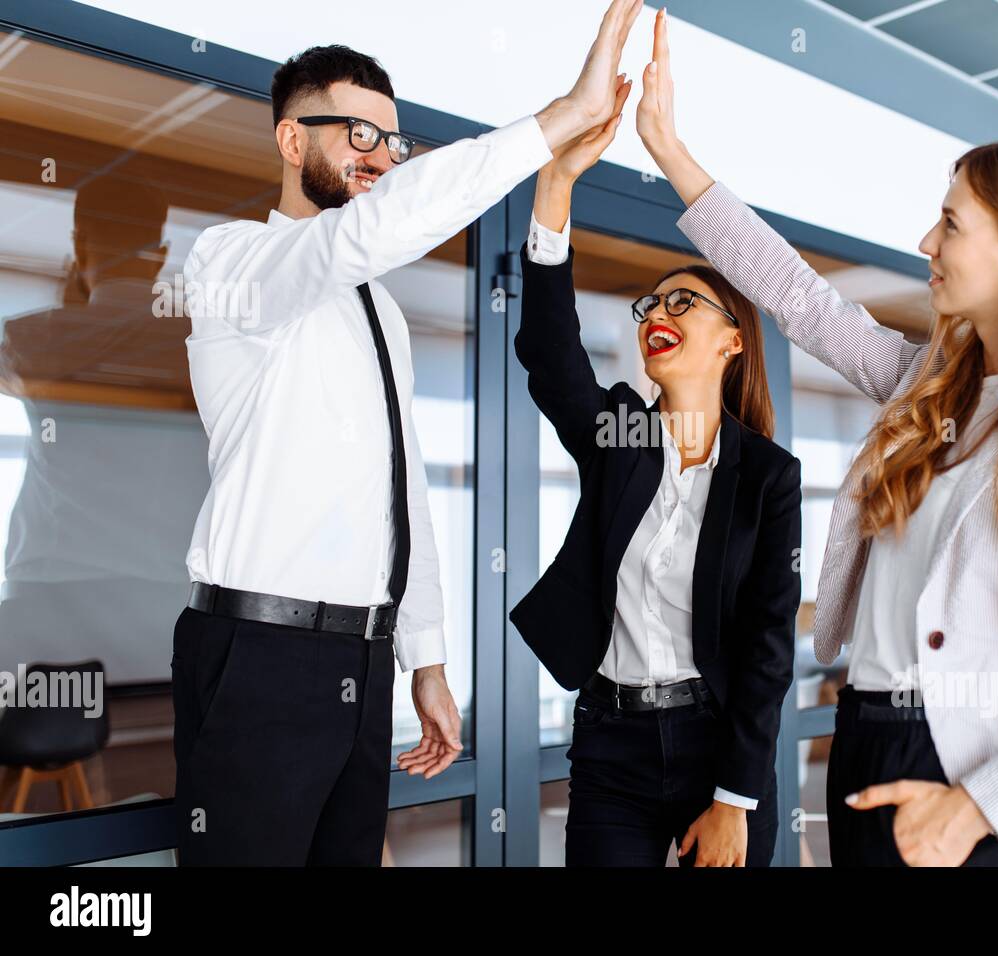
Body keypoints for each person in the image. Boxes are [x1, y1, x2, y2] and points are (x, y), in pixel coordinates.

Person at [634, 7, 998, 866]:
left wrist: (977, 809)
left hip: (969, 771)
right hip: (864, 741)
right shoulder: (924, 385)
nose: (926, 242)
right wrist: (671, 152)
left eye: (952, 225)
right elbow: (799, 299)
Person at [172, 0, 645, 865]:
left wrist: (424, 656)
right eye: (358, 133)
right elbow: (363, 235)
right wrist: (557, 121)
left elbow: (403, 493)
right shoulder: (228, 263)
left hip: (364, 658)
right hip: (257, 654)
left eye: (392, 141)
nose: (382, 156)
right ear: (290, 140)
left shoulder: (381, 313)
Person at [508, 77, 801, 867]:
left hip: (719, 745)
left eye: (682, 305)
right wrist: (556, 185)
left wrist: (735, 799)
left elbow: (769, 645)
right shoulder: (619, 434)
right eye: (651, 308)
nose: (657, 316)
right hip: (612, 743)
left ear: (733, 341)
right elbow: (549, 355)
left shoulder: (768, 477)